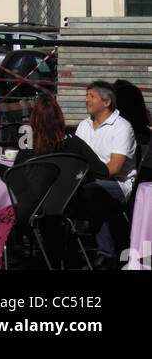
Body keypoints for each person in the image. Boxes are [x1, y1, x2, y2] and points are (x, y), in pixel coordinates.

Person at [73, 81, 137, 265]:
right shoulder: (84, 126)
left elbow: (115, 168)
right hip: (85, 181)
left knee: (94, 190)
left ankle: (105, 253)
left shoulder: (122, 127)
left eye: (91, 96)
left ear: (107, 102)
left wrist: (87, 179)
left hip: (118, 184)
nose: (86, 100)